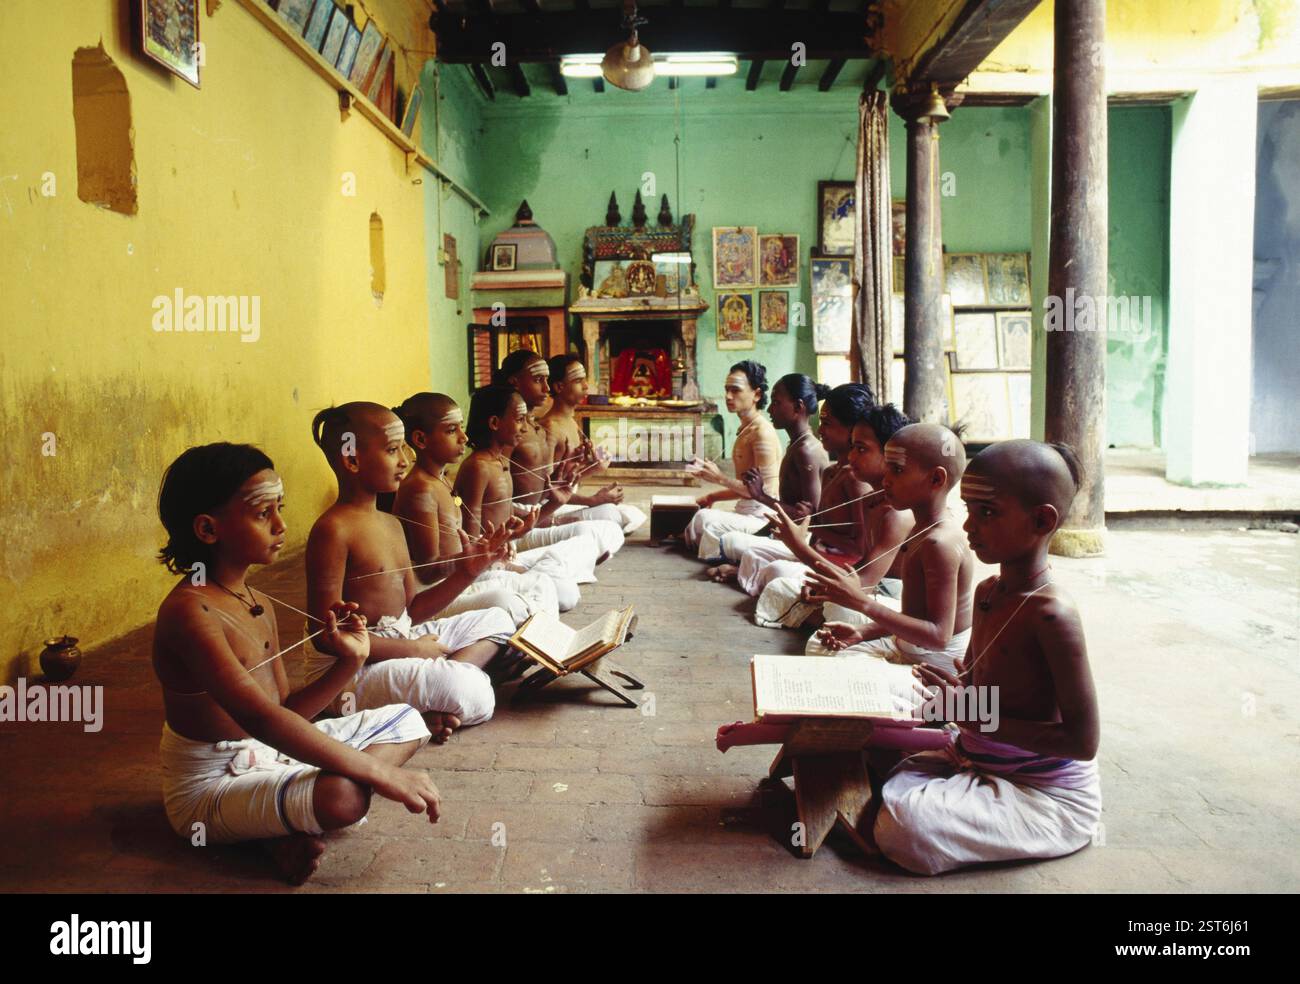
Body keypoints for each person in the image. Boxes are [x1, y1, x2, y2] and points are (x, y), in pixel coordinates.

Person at [152, 443, 439, 885]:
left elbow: (286, 709)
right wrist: (378, 772)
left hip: (270, 750)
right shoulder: (190, 613)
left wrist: (348, 660)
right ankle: (270, 826)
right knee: (344, 798)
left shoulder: (257, 601)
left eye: (279, 509)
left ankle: (275, 826)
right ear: (209, 529)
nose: (281, 525)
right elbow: (261, 719)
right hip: (212, 784)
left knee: (406, 720)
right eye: (262, 513)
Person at [872, 439, 1102, 875]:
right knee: (870, 742)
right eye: (969, 510)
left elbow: (1083, 742)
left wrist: (974, 717)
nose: (970, 526)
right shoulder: (987, 593)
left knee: (907, 827)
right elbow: (979, 694)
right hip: (975, 755)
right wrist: (957, 699)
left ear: (1041, 520)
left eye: (988, 513)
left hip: (1042, 792)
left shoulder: (1054, 615)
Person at [303, 402, 513, 742]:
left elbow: (411, 611)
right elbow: (326, 637)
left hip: (403, 642)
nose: (405, 459)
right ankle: (430, 695)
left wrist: (467, 573)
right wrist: (416, 652)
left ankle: (426, 699)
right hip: (351, 671)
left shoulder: (391, 524)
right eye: (392, 450)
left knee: (498, 619)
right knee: (474, 692)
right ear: (352, 460)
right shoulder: (334, 530)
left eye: (404, 448)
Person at [801, 422, 975, 709]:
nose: (886, 480)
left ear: (935, 480)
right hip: (905, 648)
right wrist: (862, 632)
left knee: (834, 683)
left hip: (932, 669)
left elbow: (939, 636)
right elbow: (914, 614)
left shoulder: (939, 544)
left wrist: (862, 604)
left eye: (897, 470)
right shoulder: (922, 529)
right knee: (819, 649)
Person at [390, 391, 558, 627]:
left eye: (461, 427)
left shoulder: (441, 479)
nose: (463, 436)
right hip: (437, 593)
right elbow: (427, 572)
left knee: (544, 583)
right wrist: (476, 557)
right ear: (420, 440)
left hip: (461, 576)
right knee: (509, 602)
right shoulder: (420, 489)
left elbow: (459, 539)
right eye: (451, 430)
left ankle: (556, 651)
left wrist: (495, 544)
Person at [754, 400, 912, 629]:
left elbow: (862, 585)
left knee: (836, 607)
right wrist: (824, 585)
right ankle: (812, 618)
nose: (852, 457)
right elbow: (861, 568)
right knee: (781, 584)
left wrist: (799, 547)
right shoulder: (871, 500)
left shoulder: (896, 513)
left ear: (889, 453)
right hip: (868, 588)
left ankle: (815, 619)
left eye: (861, 449)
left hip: (893, 599)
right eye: (852, 447)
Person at [453, 383, 599, 610]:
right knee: (563, 591)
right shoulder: (478, 467)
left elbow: (508, 514)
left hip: (502, 554)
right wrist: (489, 555)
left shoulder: (499, 461)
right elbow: (471, 521)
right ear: (494, 423)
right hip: (484, 565)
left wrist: (555, 503)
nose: (525, 428)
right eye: (520, 420)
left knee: (572, 566)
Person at [496, 350, 625, 559]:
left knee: (609, 520)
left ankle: (573, 558)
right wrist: (567, 514)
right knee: (595, 531)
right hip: (520, 525)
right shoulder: (515, 434)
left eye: (546, 380)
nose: (546, 388)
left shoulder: (535, 429)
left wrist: (578, 469)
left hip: (537, 514)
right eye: (539, 380)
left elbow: (549, 488)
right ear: (515, 382)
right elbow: (498, 507)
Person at [705, 373, 832, 581]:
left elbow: (809, 518)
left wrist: (761, 497)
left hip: (802, 541)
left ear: (798, 407)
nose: (770, 409)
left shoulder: (806, 450)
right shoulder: (797, 445)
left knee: (734, 543)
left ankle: (744, 570)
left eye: (776, 402)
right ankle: (744, 568)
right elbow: (788, 514)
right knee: (734, 542)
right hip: (782, 532)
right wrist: (757, 536)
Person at [683, 361, 782, 562]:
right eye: (727, 390)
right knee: (699, 520)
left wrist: (719, 478)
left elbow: (765, 494)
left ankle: (728, 554)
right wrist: (712, 497)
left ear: (756, 394)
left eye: (735, 390)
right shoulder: (746, 428)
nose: (728, 396)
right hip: (745, 511)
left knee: (703, 521)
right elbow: (746, 488)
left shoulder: (762, 433)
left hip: (762, 519)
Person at [541, 352, 647, 535]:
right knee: (612, 515)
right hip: (548, 510)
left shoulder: (571, 422)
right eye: (578, 381)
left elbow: (565, 481)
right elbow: (545, 492)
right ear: (559, 386)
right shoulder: (551, 428)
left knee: (633, 514)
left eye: (585, 380)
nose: (586, 386)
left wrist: (591, 468)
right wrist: (593, 500)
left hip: (563, 500)